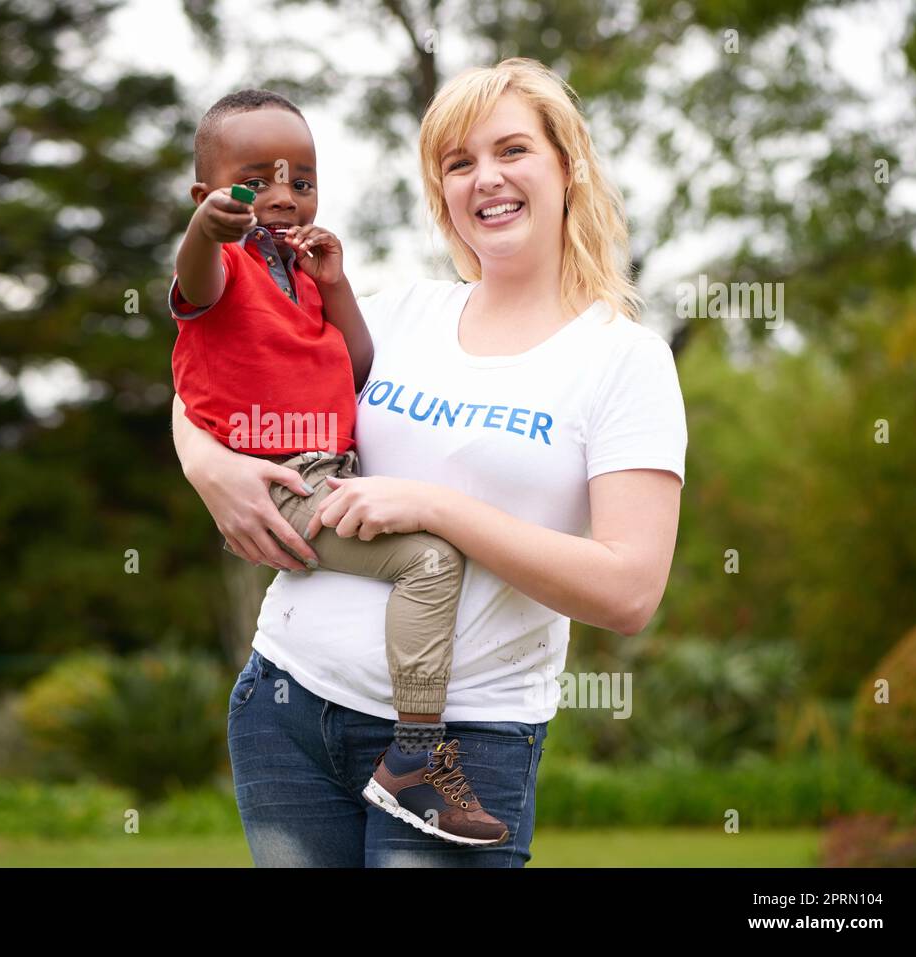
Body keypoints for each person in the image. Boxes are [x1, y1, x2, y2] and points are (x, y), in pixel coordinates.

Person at [172, 58, 688, 867]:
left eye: (512, 150)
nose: (487, 178)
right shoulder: (400, 313)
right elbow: (217, 368)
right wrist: (209, 469)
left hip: (465, 743)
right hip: (287, 706)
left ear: (568, 166)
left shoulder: (624, 360)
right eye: (459, 162)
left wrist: (434, 507)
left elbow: (629, 590)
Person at [168, 88, 508, 844]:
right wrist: (202, 229)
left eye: (303, 180)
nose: (284, 196)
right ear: (208, 193)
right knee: (428, 560)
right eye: (256, 180)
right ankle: (416, 758)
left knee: (424, 548)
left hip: (332, 469)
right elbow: (194, 282)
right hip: (283, 479)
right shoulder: (220, 267)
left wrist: (336, 285)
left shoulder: (301, 278)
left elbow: (358, 369)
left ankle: (413, 751)